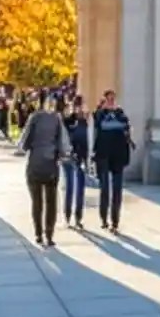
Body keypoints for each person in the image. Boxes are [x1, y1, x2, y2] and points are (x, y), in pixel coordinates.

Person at [18, 97, 70, 247]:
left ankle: (38, 233)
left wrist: (28, 147)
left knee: (37, 202)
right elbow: (63, 143)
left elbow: (24, 142)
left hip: (35, 164)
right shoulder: (57, 119)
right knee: (51, 202)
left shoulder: (34, 118)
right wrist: (61, 154)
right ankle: (49, 234)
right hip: (51, 165)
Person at [93, 89, 133, 234]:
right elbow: (97, 124)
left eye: (113, 99)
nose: (111, 102)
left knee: (117, 189)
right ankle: (104, 218)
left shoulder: (121, 115)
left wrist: (117, 115)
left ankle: (115, 221)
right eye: (108, 99)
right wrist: (103, 110)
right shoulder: (100, 114)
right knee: (104, 188)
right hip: (103, 156)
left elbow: (127, 128)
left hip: (118, 156)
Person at [60, 96, 90, 229]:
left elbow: (88, 141)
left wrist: (88, 158)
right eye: (76, 105)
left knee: (80, 189)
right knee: (70, 186)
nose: (78, 108)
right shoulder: (67, 121)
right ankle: (67, 215)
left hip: (81, 158)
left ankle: (78, 217)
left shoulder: (85, 122)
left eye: (81, 105)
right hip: (68, 157)